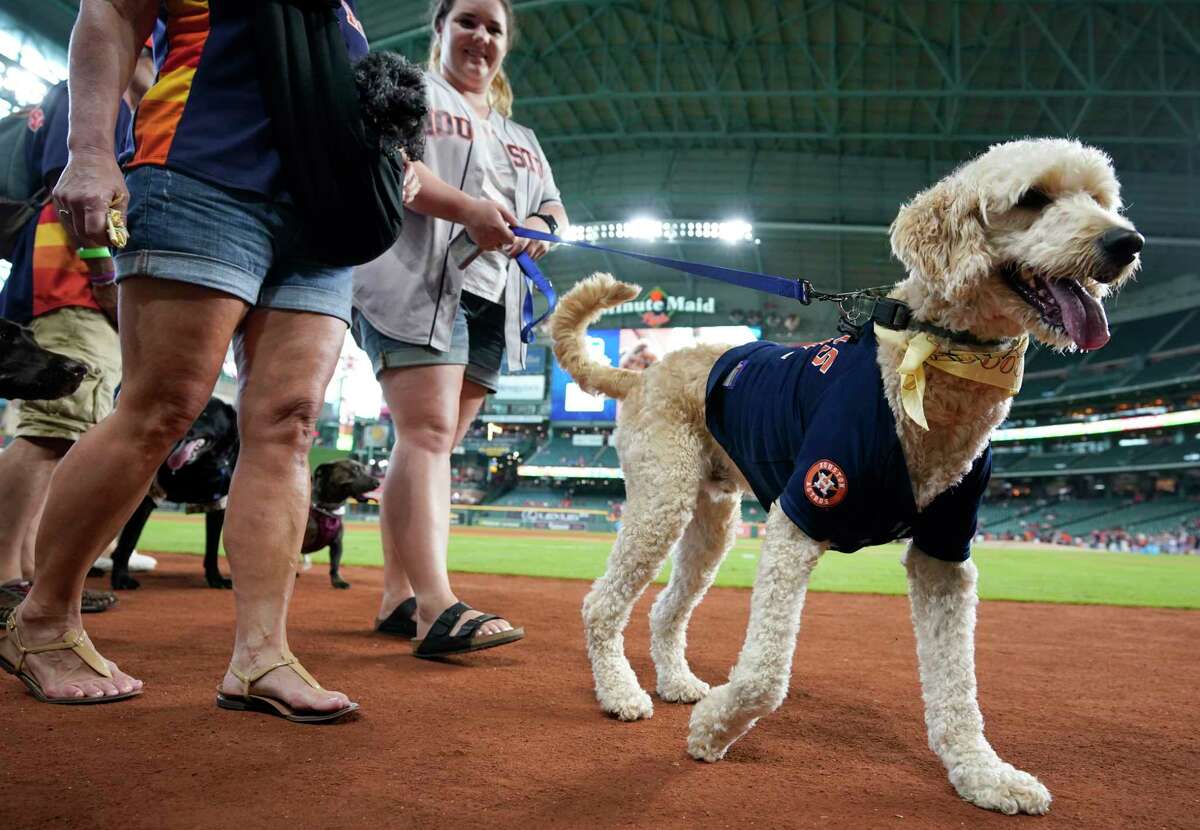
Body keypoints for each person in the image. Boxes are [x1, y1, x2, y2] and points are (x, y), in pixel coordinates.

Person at [0, 0, 393, 718]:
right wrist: (91, 150)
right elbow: (111, 12)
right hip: (201, 174)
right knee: (162, 407)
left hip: (325, 212)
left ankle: (260, 656)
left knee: (290, 423)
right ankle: (43, 619)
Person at [357, 0, 568, 656]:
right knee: (425, 434)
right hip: (416, 279)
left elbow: (552, 205)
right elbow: (397, 168)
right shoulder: (413, 92)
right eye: (467, 21)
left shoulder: (520, 135)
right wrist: (472, 210)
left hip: (492, 296)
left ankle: (398, 597)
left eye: (493, 28)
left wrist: (545, 230)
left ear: (506, 44)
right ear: (440, 29)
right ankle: (436, 607)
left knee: (432, 443)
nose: (481, 36)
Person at [0, 46, 156, 618]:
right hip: (72, 285)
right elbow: (79, 198)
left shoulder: (102, 101)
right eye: (155, 53)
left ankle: (27, 574)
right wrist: (105, 275)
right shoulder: (96, 97)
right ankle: (5, 575)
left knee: (64, 436)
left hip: (68, 284)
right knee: (50, 431)